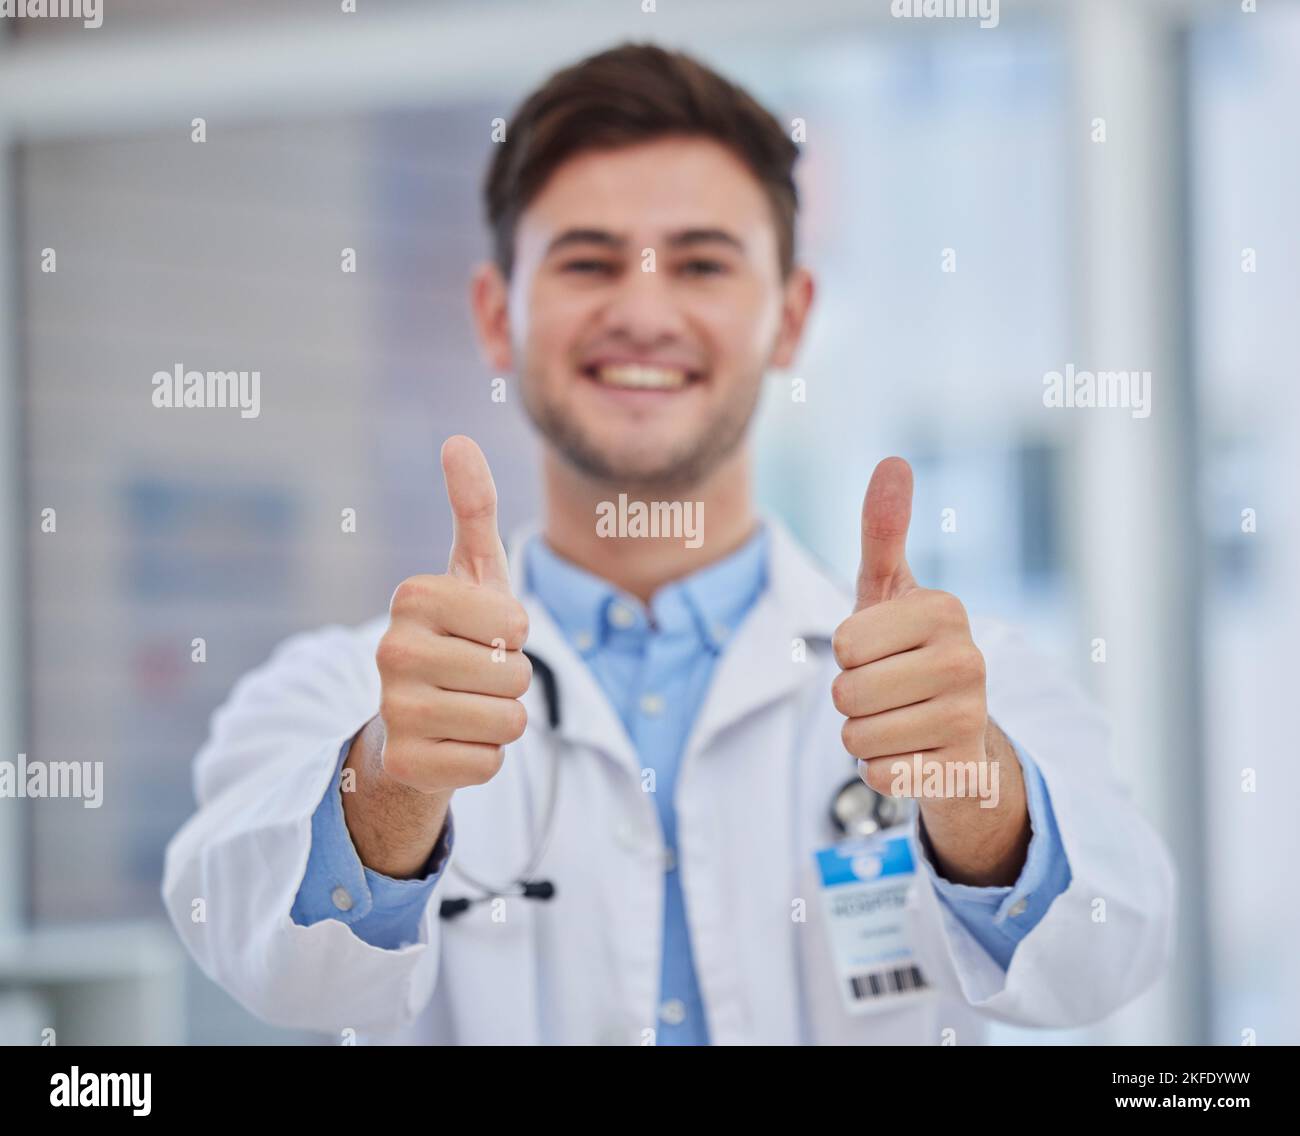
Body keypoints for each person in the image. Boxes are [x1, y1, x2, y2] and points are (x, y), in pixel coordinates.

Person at [162, 42, 1173, 1045]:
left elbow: (1111, 952)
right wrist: (385, 783)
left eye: (700, 262)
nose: (642, 311)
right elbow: (254, 945)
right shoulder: (341, 696)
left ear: (790, 316)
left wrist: (977, 791)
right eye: (588, 260)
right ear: (492, 314)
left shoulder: (967, 686)